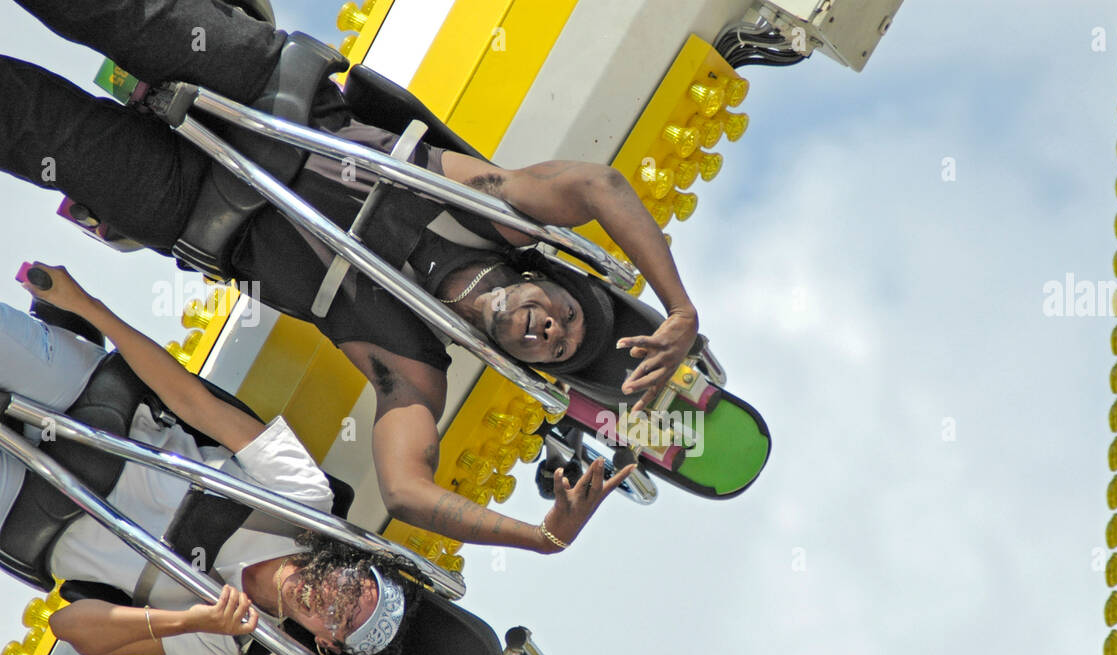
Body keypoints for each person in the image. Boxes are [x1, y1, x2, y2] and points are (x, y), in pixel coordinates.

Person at [0, 0, 691, 554]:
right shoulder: (497, 211)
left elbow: (406, 492)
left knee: (20, 121)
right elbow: (601, 186)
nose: (550, 327)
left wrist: (540, 536)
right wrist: (678, 309)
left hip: (186, 203)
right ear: (549, 276)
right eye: (566, 312)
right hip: (264, 90)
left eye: (555, 347)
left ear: (522, 360)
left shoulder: (413, 368)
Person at [0, 264, 528, 655]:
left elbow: (72, 627)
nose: (329, 597)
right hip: (84, 402)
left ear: (327, 644)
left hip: (20, 509)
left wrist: (190, 620)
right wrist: (86, 305)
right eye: (350, 586)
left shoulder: (220, 644)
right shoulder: (306, 502)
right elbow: (190, 399)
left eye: (340, 618)